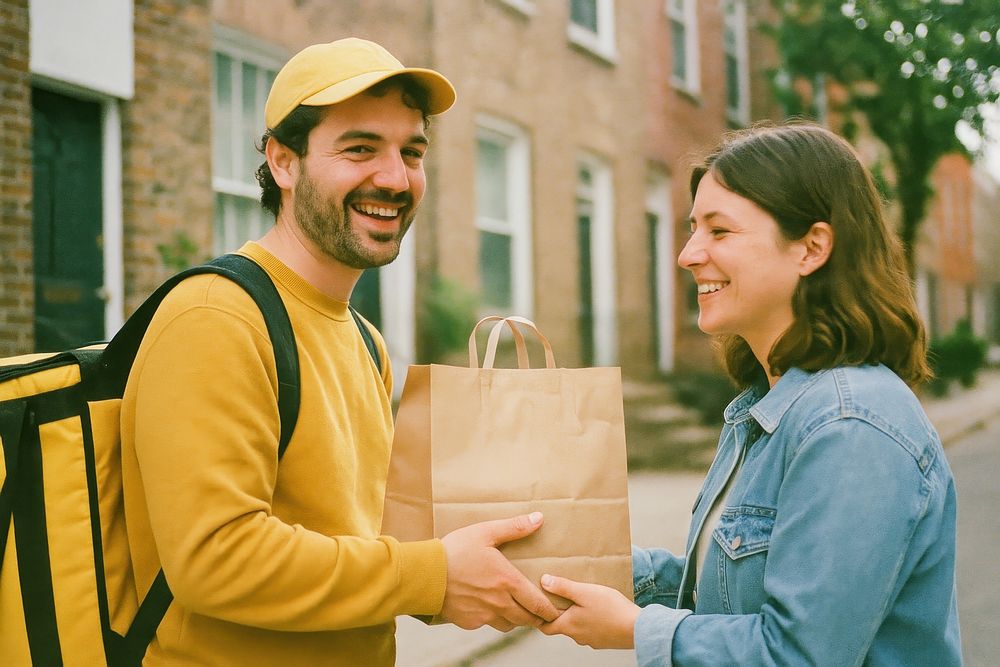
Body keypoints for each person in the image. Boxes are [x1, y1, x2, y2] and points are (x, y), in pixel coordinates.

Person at [120, 38, 559, 666]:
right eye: (359, 149)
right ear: (284, 162)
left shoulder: (363, 338)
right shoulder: (217, 317)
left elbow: (363, 541)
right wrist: (432, 575)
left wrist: (476, 567)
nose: (394, 177)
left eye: (411, 152)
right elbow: (214, 559)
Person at [538, 123, 962, 665]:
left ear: (811, 248)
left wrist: (637, 629)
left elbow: (801, 654)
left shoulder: (849, 425)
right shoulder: (772, 407)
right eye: (694, 229)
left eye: (719, 231)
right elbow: (727, 596)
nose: (688, 255)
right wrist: (590, 566)